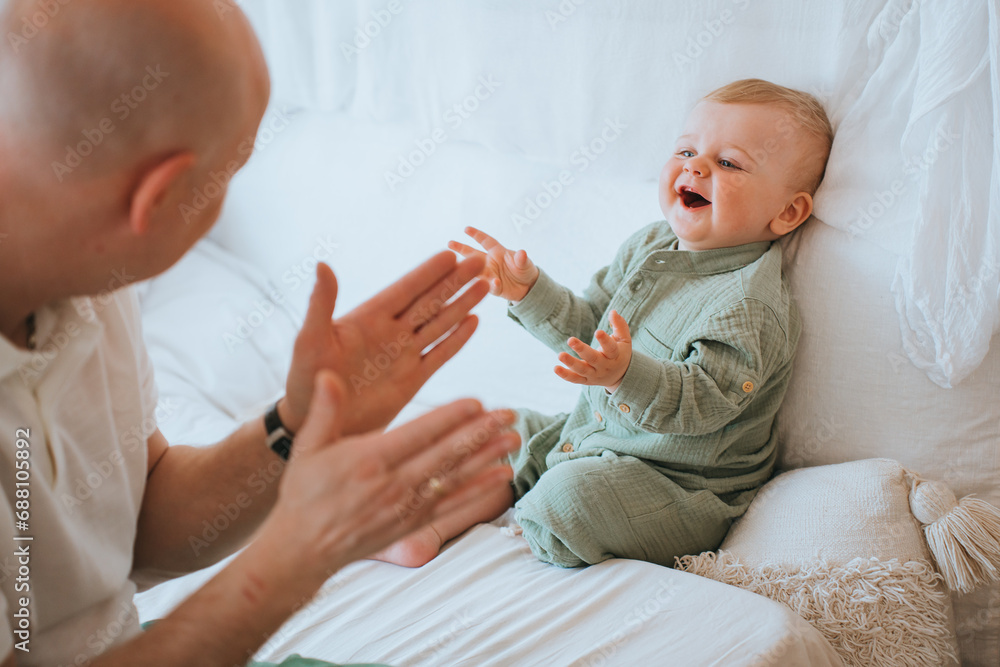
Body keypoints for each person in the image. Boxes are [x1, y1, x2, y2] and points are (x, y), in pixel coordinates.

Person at [0, 1, 520, 665]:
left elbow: (137, 530)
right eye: (229, 175)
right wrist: (296, 558)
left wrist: (295, 425)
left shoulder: (93, 281)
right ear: (158, 197)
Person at [380, 79, 834, 569]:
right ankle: (424, 528)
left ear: (787, 212)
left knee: (569, 498)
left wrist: (625, 374)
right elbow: (588, 334)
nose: (695, 167)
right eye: (686, 151)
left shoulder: (750, 305)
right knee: (494, 433)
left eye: (728, 163)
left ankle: (535, 505)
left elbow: (702, 403)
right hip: (593, 436)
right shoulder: (649, 246)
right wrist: (528, 291)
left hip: (678, 484)